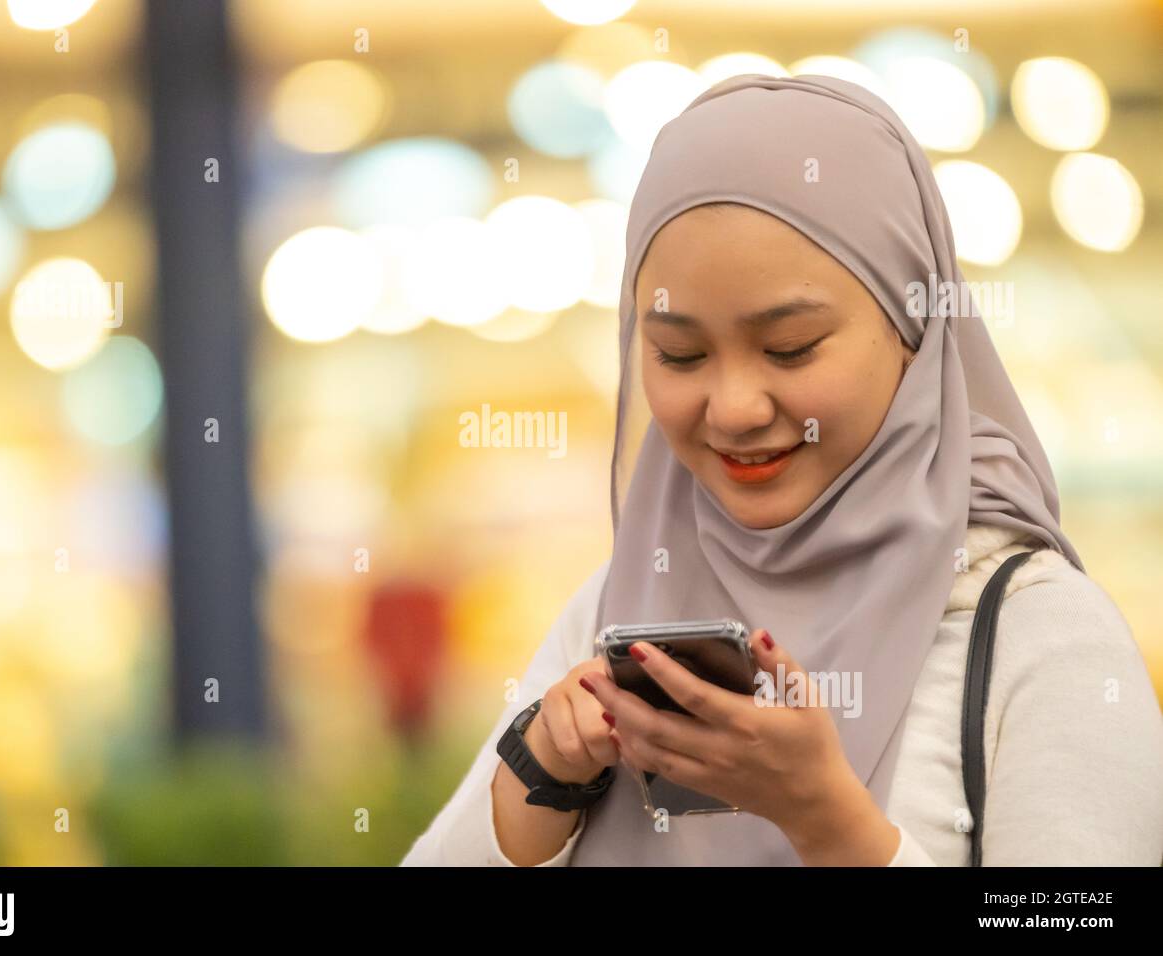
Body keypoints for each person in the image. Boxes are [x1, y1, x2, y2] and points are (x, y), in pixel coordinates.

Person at [400, 74, 1163, 866]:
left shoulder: (1039, 634)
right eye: (679, 353)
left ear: (914, 327)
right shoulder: (623, 609)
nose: (732, 407)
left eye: (790, 347)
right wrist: (546, 782)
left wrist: (829, 821)